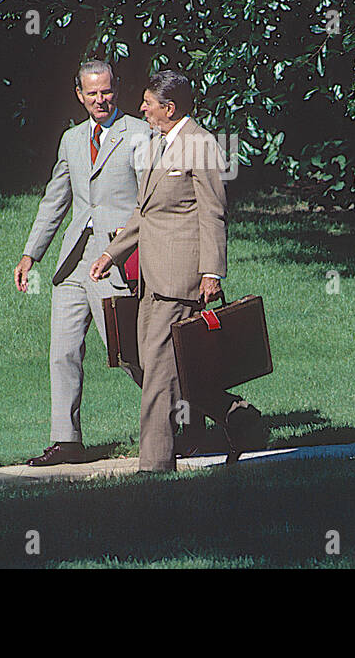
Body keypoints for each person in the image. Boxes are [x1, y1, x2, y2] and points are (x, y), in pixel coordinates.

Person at [90, 70, 264, 472]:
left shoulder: (200, 145)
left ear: (169, 108)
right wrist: (113, 254)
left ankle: (153, 466)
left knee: (159, 372)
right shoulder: (156, 142)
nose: (142, 109)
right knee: (151, 364)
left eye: (149, 103)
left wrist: (211, 272)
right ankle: (236, 414)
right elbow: (145, 212)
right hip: (150, 277)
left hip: (181, 278)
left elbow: (213, 213)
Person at [15, 61, 151, 466]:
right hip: (73, 261)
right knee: (63, 351)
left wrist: (123, 250)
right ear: (79, 94)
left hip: (116, 258)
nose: (100, 99)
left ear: (117, 89)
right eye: (91, 93)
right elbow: (55, 199)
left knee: (127, 352)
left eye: (106, 91)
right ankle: (66, 441)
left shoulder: (139, 135)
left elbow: (150, 203)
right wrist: (30, 254)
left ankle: (179, 418)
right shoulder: (72, 139)